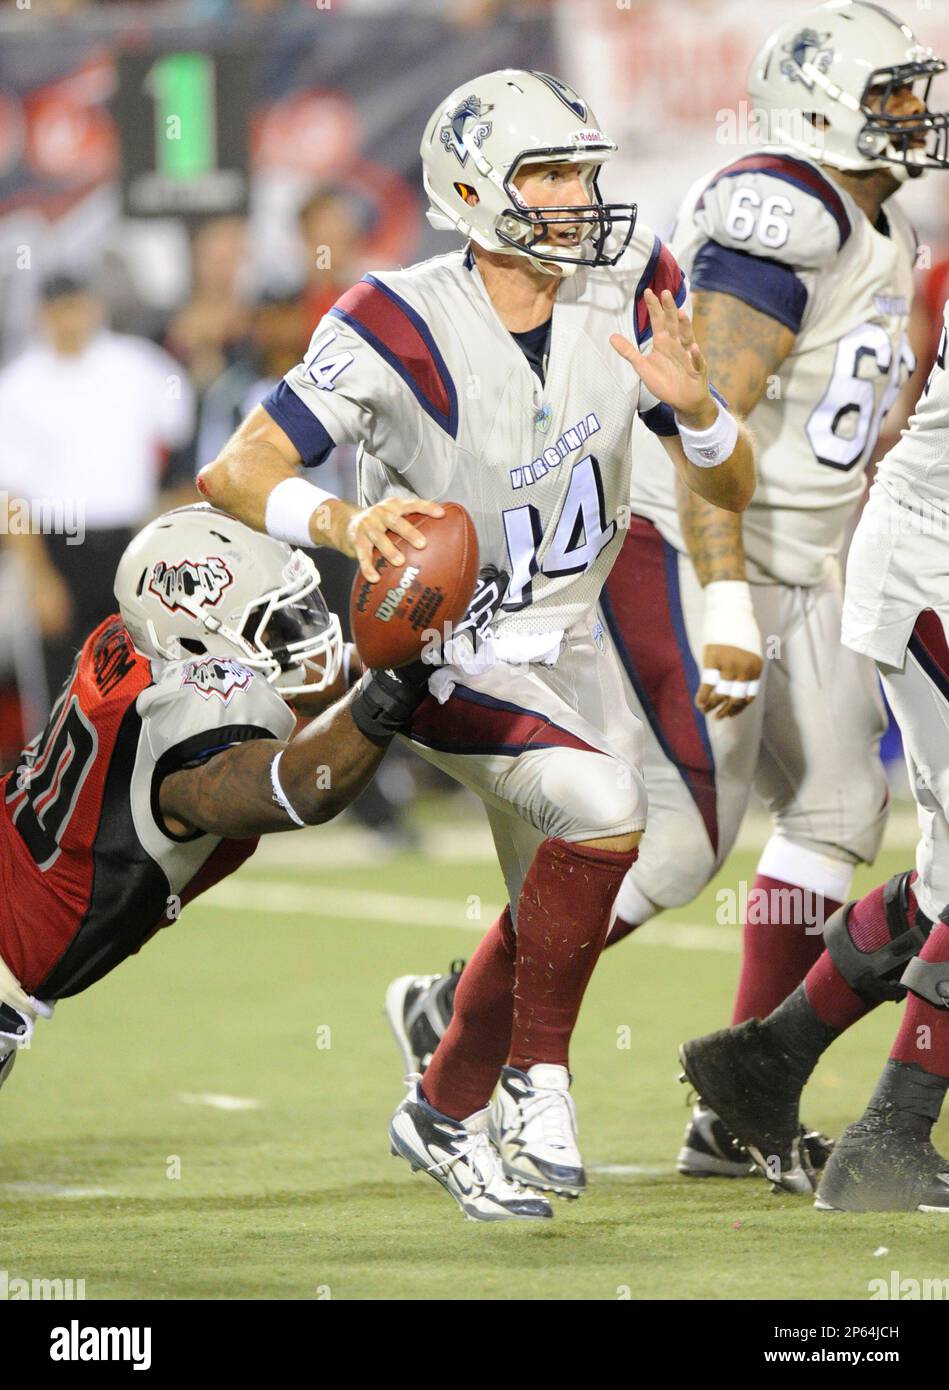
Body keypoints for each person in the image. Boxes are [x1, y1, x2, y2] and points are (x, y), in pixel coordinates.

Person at [387, 2, 949, 1193]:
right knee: (682, 838)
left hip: (810, 553)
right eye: (890, 94)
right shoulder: (780, 210)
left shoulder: (873, 212)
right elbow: (708, 429)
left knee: (844, 807)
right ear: (819, 102)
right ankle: (460, 1019)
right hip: (702, 544)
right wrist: (732, 599)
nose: (912, 114)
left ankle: (743, 1095)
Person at [198, 68, 754, 1221]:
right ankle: (535, 1079)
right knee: (607, 809)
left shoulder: (628, 278)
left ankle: (443, 1108)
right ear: (469, 188)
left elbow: (730, 480)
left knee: (551, 918)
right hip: (440, 648)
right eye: (546, 173)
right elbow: (235, 470)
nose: (575, 195)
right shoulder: (393, 317)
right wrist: (346, 520)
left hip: (569, 643)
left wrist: (698, 415)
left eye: (582, 170)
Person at [0, 504, 436, 1131]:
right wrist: (393, 686)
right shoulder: (184, 721)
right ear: (197, 641)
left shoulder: (134, 641)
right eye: (275, 624)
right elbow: (300, 790)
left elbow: (295, 681)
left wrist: (420, 652)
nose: (304, 636)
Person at [681, 292, 949, 1214]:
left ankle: (768, 1056)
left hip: (916, 550)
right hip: (933, 564)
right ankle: (890, 1135)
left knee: (943, 875)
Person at [0, 274, 197, 705]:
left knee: (142, 683)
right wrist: (39, 577)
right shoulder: (18, 384)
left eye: (75, 306)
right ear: (41, 315)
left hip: (133, 542)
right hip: (57, 547)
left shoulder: (141, 366)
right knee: (64, 691)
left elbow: (182, 446)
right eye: (58, 309)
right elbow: (9, 498)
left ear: (93, 306)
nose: (69, 319)